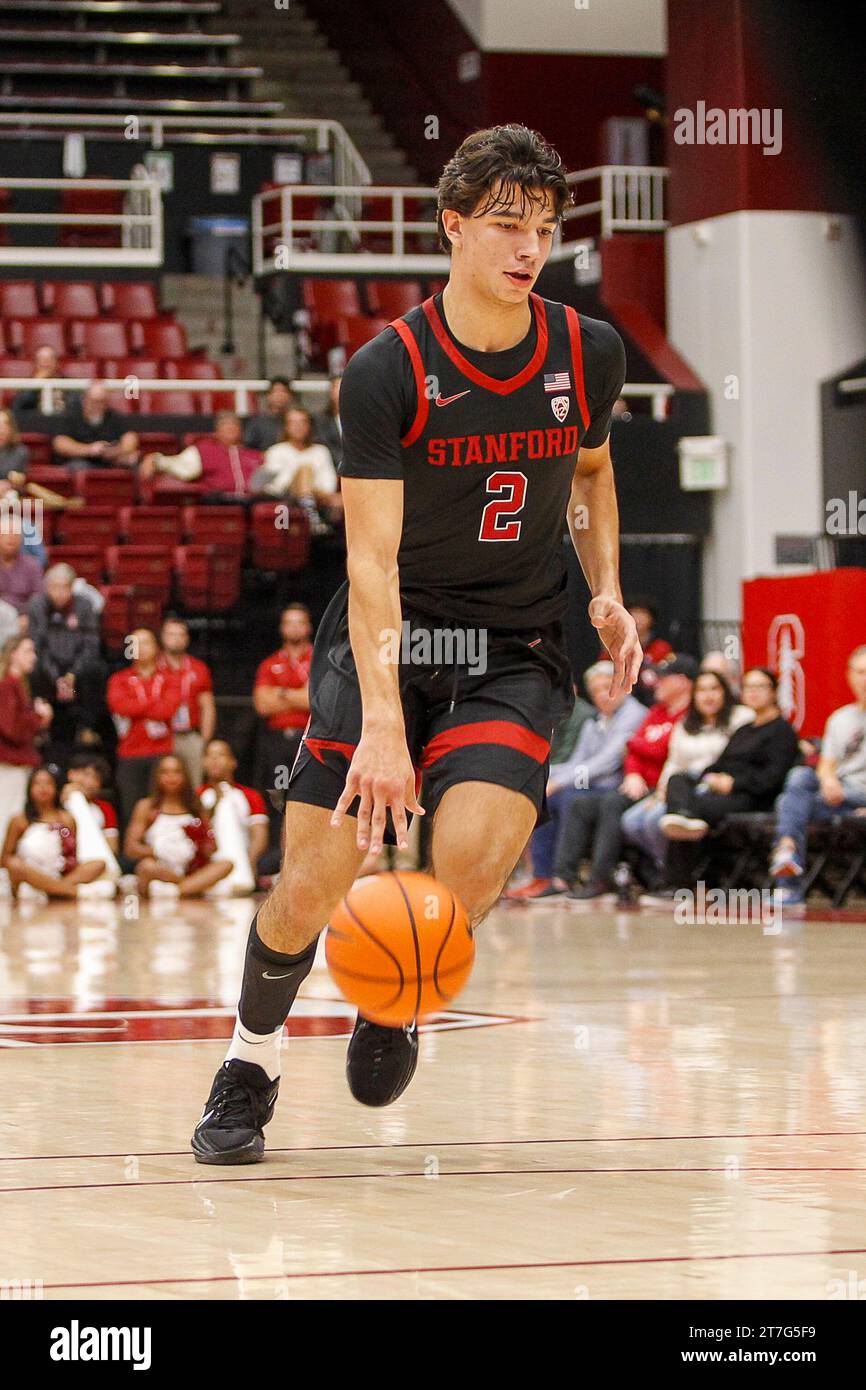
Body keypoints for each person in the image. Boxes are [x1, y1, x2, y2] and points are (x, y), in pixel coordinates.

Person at [191, 123, 641, 1165]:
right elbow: (370, 564)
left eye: (539, 228)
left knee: (471, 855)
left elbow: (587, 477)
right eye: (502, 225)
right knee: (310, 883)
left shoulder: (588, 352)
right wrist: (385, 721)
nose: (525, 247)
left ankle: (392, 991)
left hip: (513, 641)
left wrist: (607, 588)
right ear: (451, 227)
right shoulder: (384, 372)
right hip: (389, 638)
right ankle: (248, 1062)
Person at [552, 654, 695, 899]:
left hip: (666, 788)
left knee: (610, 802)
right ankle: (562, 878)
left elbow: (658, 749)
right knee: (578, 803)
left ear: (682, 682)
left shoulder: (687, 716)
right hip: (637, 784)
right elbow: (630, 754)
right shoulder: (657, 712)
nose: (656, 683)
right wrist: (633, 773)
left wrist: (634, 746)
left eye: (663, 678)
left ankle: (601, 879)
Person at [505, 661, 643, 900]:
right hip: (592, 785)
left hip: (618, 785)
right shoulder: (597, 720)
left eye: (606, 687)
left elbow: (605, 763)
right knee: (547, 796)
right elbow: (578, 761)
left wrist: (559, 782)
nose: (602, 695)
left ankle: (565, 876)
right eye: (596, 690)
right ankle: (545, 875)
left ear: (622, 685)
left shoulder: (634, 715)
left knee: (567, 798)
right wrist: (544, 776)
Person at [656, 667, 800, 892]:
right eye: (748, 687)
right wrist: (710, 776)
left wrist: (733, 783)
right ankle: (683, 821)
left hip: (750, 796)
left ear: (774, 692)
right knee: (678, 780)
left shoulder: (782, 732)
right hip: (719, 789)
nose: (753, 692)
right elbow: (720, 763)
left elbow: (772, 778)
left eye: (760, 687)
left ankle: (676, 884)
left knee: (692, 809)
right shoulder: (744, 730)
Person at [624, 668, 753, 887]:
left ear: (725, 692)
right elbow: (673, 762)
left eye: (714, 689)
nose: (708, 695)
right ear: (694, 695)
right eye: (702, 690)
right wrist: (662, 792)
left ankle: (677, 876)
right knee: (632, 822)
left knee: (655, 821)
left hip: (714, 785)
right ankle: (667, 867)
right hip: (678, 785)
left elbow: (739, 757)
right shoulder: (686, 723)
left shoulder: (740, 717)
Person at [769, 645, 866, 900]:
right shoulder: (840, 718)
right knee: (799, 779)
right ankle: (787, 856)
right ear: (850, 676)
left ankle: (787, 878)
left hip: (863, 795)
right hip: (841, 796)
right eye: (860, 672)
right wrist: (828, 780)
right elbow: (827, 763)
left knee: (787, 803)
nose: (864, 679)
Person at [123, 754, 231, 898]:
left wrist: (199, 848)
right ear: (157, 776)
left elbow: (212, 845)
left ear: (185, 776)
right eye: (165, 772)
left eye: (177, 772)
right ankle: (193, 887)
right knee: (145, 867)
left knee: (226, 864)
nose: (171, 777)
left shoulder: (196, 805)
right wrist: (160, 850)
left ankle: (177, 890)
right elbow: (131, 848)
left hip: (190, 868)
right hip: (161, 869)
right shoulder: (146, 807)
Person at [106, 629, 183, 826]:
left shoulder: (170, 678)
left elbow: (167, 710)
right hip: (130, 752)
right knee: (131, 808)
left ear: (157, 647)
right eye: (134, 643)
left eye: (145, 642)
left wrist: (137, 709)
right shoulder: (119, 679)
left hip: (161, 752)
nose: (139, 648)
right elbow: (119, 706)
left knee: (161, 807)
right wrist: (152, 704)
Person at [2, 765, 110, 901]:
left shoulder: (66, 819)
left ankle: (53, 889)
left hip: (59, 873)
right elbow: (5, 858)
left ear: (56, 788)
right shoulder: (20, 820)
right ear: (29, 789)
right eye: (37, 783)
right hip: (29, 874)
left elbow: (72, 855)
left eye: (48, 783)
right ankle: (72, 891)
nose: (43, 788)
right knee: (13, 864)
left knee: (98, 864)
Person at [253, 603, 312, 849]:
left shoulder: (320, 658)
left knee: (308, 798)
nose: (294, 627)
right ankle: (276, 857)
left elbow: (316, 700)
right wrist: (300, 695)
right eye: (289, 622)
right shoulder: (270, 664)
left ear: (308, 627)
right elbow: (263, 705)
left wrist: (280, 693)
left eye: (299, 622)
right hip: (278, 743)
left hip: (309, 740)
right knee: (279, 796)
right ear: (281, 628)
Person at [27, 563, 104, 744]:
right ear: (47, 588)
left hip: (76, 665)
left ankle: (87, 727)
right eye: (55, 587)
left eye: (65, 587)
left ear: (72, 588)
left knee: (95, 669)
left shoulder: (84, 605)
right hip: (49, 665)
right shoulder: (37, 605)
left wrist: (72, 675)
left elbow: (91, 644)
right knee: (33, 668)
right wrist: (56, 677)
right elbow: (38, 646)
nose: (60, 593)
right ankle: (40, 728)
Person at [251, 405, 342, 528]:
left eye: (302, 422)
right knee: (305, 469)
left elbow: (328, 484)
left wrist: (314, 492)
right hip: (286, 501)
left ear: (309, 426)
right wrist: (302, 481)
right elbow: (276, 487)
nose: (298, 427)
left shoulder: (321, 451)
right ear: (286, 427)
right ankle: (312, 520)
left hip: (321, 499)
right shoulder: (276, 451)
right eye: (293, 423)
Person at [0, 634, 52, 847]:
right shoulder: (7, 686)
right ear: (13, 654)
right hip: (9, 763)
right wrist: (39, 717)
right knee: (7, 816)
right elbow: (11, 728)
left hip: (16, 762)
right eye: (28, 651)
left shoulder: (17, 685)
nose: (34, 657)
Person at [198, 737, 269, 884]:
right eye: (210, 755)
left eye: (221, 755)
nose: (215, 760)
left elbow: (259, 835)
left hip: (242, 857)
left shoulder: (250, 796)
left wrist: (249, 860)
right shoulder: (196, 796)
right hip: (207, 861)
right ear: (203, 763)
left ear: (233, 762)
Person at [140, 412, 261, 496]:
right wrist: (155, 460)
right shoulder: (203, 450)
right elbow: (179, 465)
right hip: (219, 504)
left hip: (250, 502)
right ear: (217, 431)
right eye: (226, 425)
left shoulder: (253, 455)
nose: (231, 428)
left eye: (234, 425)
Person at [158, 617, 216, 787]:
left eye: (180, 634)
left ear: (187, 638)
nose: (176, 638)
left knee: (194, 783)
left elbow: (207, 705)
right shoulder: (154, 666)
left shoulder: (198, 668)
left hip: (190, 734)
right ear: (162, 637)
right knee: (160, 783)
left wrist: (204, 740)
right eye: (171, 634)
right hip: (161, 735)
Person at [52, 383, 140, 471]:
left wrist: (116, 451)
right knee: (78, 467)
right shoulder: (70, 417)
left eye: (102, 401)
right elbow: (60, 444)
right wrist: (90, 449)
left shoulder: (115, 417)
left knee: (133, 461)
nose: (97, 405)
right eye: (94, 401)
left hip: (109, 462)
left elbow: (130, 439)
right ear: (84, 399)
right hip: (79, 461)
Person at [61, 752, 119, 856]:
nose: (90, 782)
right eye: (86, 774)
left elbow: (112, 847)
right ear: (71, 774)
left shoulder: (105, 808)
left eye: (96, 778)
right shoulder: (55, 801)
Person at [12, 344, 69, 416]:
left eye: (50, 358)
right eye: (41, 359)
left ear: (57, 363)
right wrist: (36, 383)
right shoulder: (27, 386)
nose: (45, 362)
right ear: (36, 364)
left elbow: (76, 409)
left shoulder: (69, 384)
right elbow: (18, 407)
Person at [243, 378, 296, 453]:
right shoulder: (256, 421)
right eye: (276, 391)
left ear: (290, 396)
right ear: (269, 395)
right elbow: (249, 448)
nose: (280, 395)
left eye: (284, 391)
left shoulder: (297, 421)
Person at [0, 530, 43, 617]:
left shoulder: (32, 565)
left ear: (21, 539)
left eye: (16, 534)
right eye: (6, 534)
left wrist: (28, 616)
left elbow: (39, 597)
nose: (11, 538)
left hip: (25, 617)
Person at [313, 374, 343, 467]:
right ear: (330, 392)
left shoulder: (361, 418)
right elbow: (324, 445)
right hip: (330, 467)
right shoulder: (321, 419)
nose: (341, 391)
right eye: (337, 387)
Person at [0, 409, 29, 490]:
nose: (1, 430)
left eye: (5, 425)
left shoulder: (20, 452)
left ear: (12, 428)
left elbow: (20, 484)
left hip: (9, 497)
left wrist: (13, 483)